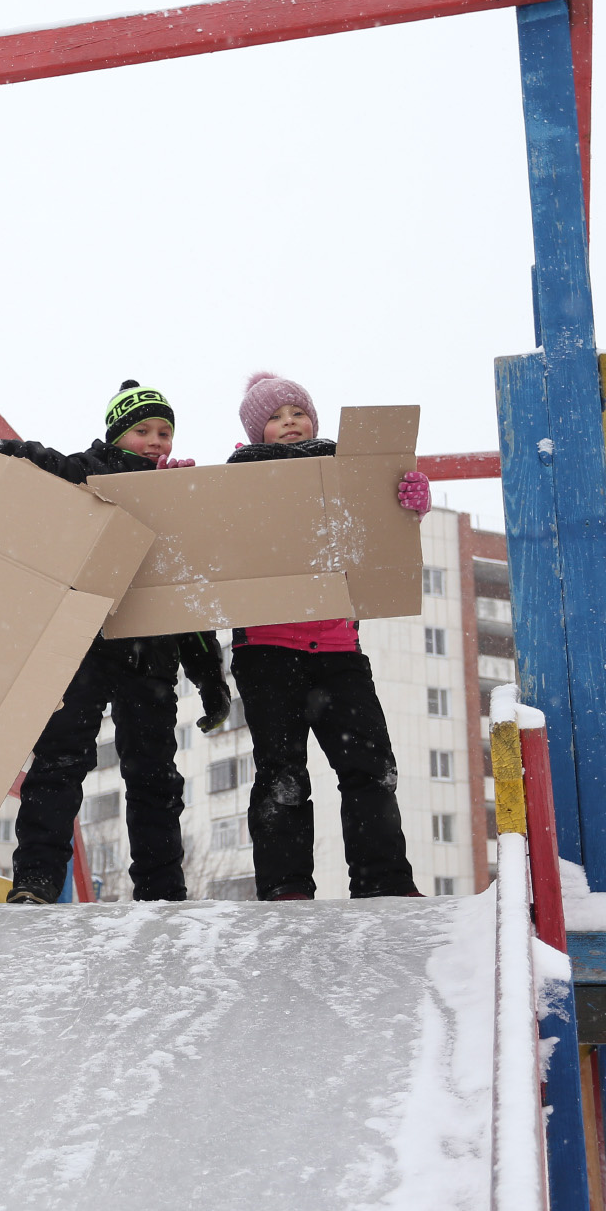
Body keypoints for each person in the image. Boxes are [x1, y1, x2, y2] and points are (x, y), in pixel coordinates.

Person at [0, 381, 232, 904]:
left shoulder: (179, 496)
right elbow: (41, 463)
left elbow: (191, 598)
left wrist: (211, 679)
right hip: (84, 644)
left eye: (164, 432)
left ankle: (161, 887)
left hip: (153, 653)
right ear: (117, 434)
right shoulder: (88, 472)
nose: (155, 441)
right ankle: (35, 880)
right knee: (58, 760)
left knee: (155, 775)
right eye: (142, 430)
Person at [224, 370, 432, 901]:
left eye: (298, 412)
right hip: (267, 648)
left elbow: (380, 538)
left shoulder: (349, 471)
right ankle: (285, 888)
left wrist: (406, 505)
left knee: (372, 770)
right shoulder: (238, 478)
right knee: (282, 776)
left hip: (338, 647)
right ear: (255, 432)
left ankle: (383, 882)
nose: (289, 422)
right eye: (274, 417)